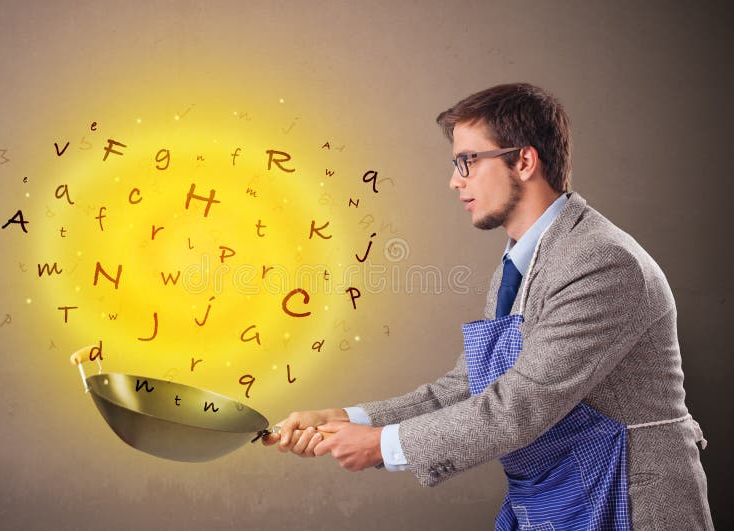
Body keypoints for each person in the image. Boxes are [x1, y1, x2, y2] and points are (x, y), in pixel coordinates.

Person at [263, 83, 713, 529]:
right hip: (555, 501)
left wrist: (381, 444)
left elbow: (518, 406)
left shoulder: (600, 262)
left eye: (468, 161)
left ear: (524, 161)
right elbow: (466, 387)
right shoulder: (517, 264)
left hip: (627, 502)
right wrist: (347, 419)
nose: (455, 180)